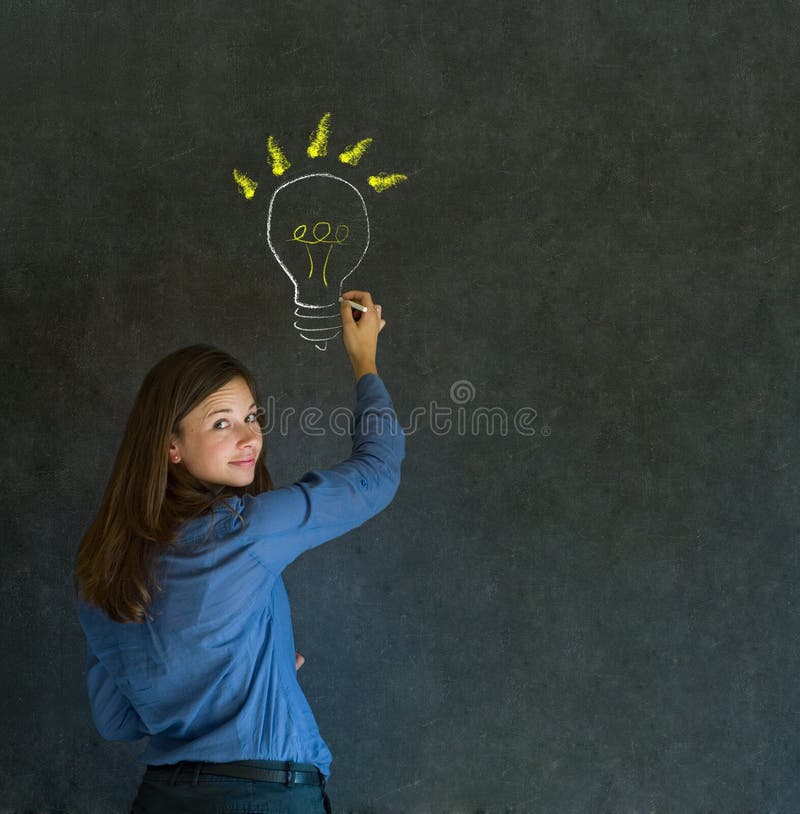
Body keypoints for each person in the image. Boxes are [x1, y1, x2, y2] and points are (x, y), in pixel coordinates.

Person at [74, 291, 404, 814]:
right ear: (171, 445)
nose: (251, 436)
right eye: (221, 422)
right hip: (262, 797)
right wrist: (365, 360)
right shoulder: (245, 531)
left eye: (253, 416)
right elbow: (377, 476)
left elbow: (116, 721)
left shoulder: (100, 567)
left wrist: (237, 678)